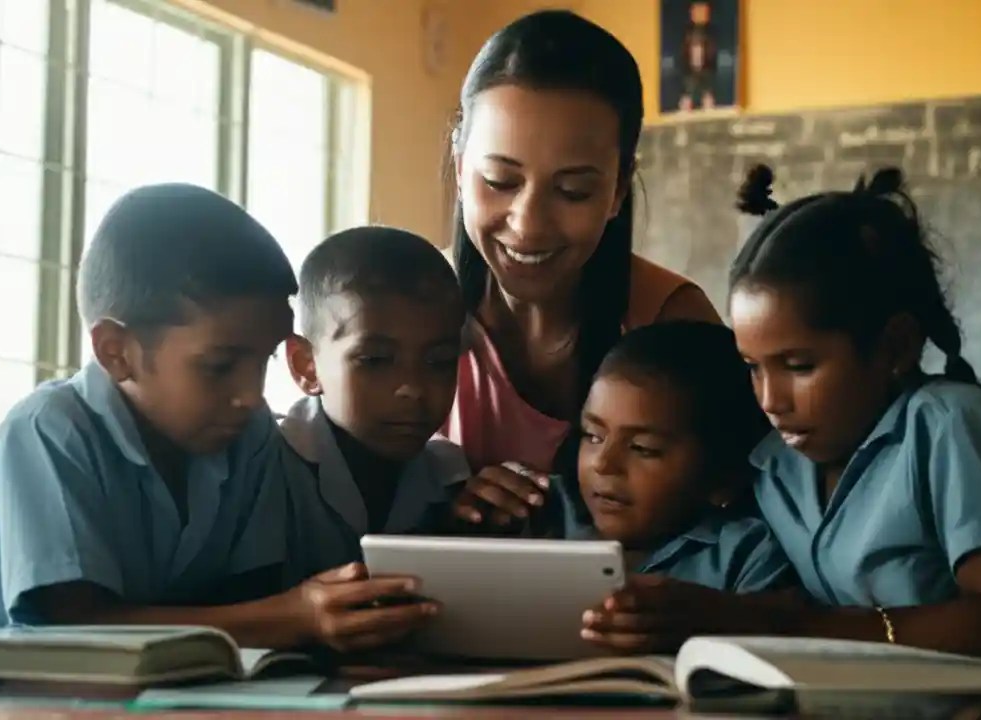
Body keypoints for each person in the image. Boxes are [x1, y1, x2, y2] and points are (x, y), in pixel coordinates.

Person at [0, 185, 418, 651]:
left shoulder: (251, 436)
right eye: (219, 366)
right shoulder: (50, 430)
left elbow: (250, 598)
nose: (250, 396)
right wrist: (297, 617)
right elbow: (69, 632)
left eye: (261, 363)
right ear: (117, 353)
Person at [727, 165, 981, 720]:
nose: (770, 399)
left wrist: (794, 625)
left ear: (897, 345)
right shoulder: (777, 466)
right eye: (753, 368)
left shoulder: (949, 423)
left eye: (799, 366)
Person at [445, 9, 720, 528]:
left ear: (617, 191)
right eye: (500, 181)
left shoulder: (672, 321)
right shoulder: (409, 311)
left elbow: (729, 521)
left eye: (573, 190)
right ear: (461, 168)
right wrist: (442, 507)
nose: (528, 225)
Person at [534, 322, 790, 653]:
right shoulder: (540, 510)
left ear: (722, 478)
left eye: (643, 448)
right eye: (594, 436)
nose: (603, 464)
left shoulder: (746, 555)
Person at [275, 226, 470, 650]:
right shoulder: (266, 468)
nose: (413, 388)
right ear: (306, 365)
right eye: (376, 360)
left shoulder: (454, 481)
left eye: (439, 362)